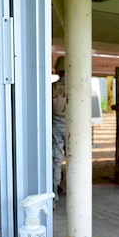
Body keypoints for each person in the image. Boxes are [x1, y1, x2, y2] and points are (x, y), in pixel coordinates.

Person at [51, 56, 66, 199]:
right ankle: (78, 189)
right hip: (74, 127)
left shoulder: (52, 88)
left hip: (56, 125)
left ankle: (54, 191)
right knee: (76, 158)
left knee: (56, 158)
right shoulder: (76, 87)